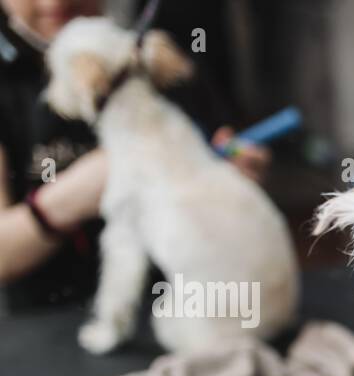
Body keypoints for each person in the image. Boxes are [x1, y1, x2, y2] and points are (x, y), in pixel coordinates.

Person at [0, 0, 268, 307]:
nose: (54, 1)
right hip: (45, 321)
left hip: (185, 299)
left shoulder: (164, 58)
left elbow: (224, 158)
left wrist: (237, 182)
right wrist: (76, 193)